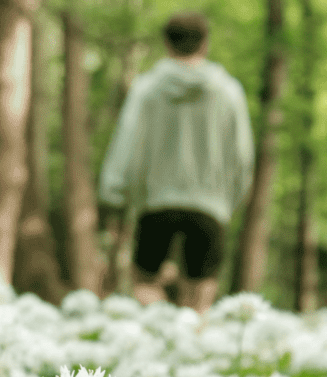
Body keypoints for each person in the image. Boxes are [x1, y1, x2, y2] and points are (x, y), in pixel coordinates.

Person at [98, 11, 254, 313]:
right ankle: (190, 341)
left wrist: (114, 193)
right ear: (205, 43)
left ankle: (160, 336)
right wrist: (234, 198)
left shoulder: (147, 89)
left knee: (144, 285)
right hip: (210, 205)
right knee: (200, 295)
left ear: (167, 44)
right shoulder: (229, 91)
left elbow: (126, 140)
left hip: (156, 203)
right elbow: (242, 153)